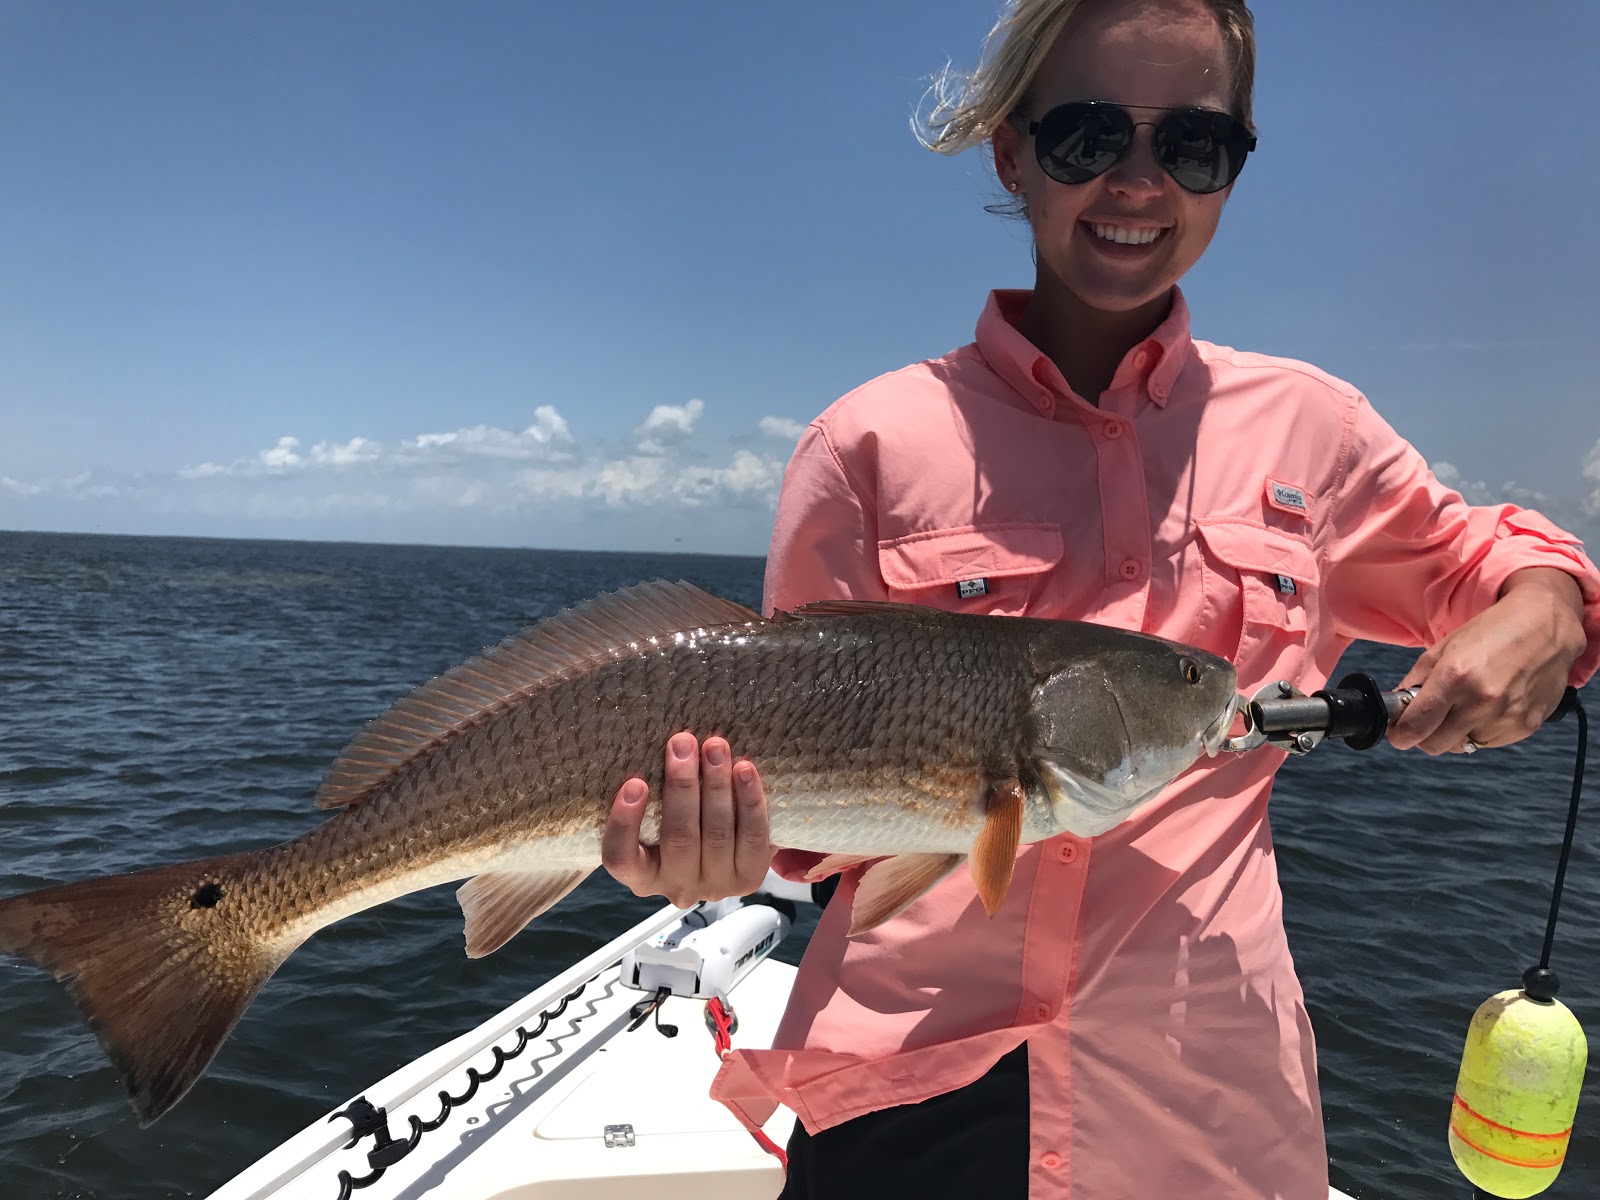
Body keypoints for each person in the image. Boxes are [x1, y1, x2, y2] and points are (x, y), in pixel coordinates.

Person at [601, 0, 1600, 1195]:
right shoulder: (866, 443)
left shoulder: (1314, 433)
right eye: (1086, 136)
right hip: (909, 1083)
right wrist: (707, 850)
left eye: (1192, 145)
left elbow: (1484, 562)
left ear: (1231, 169)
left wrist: (1544, 604)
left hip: (1202, 1100)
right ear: (1011, 151)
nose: (1137, 182)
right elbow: (813, 815)